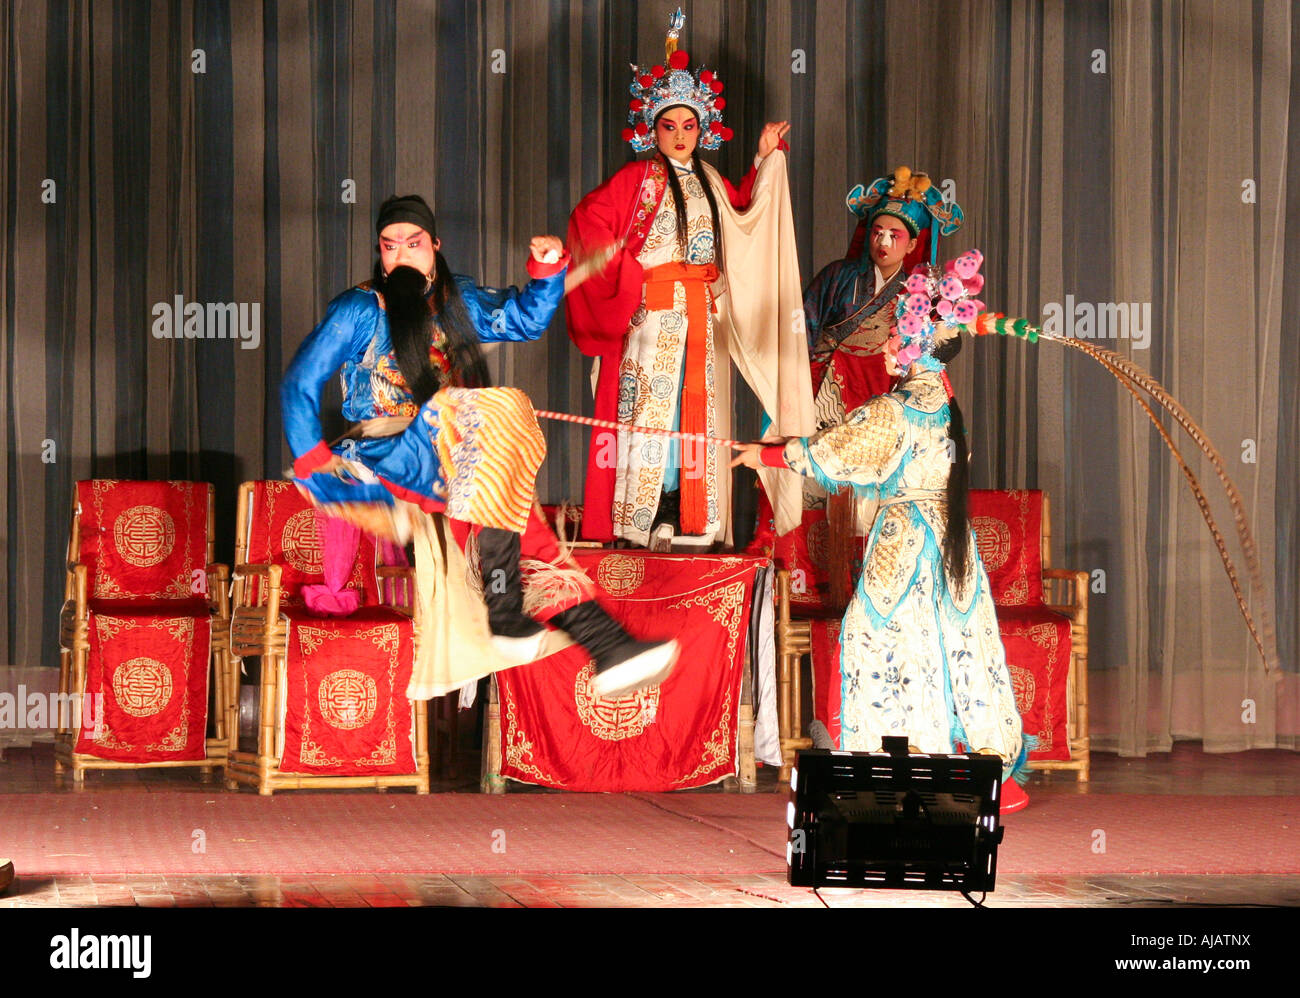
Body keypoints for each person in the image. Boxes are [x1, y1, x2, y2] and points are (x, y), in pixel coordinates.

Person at [281, 194, 677, 698]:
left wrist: (548, 267)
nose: (401, 255)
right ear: (379, 253)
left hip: (452, 449)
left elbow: (524, 319)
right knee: (494, 411)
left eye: (414, 243)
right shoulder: (361, 308)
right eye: (390, 246)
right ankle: (515, 615)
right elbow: (300, 382)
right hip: (383, 447)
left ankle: (602, 644)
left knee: (519, 525)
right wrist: (313, 460)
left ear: (435, 246)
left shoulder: (455, 299)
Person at [732, 268, 1029, 812]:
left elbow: (838, 449)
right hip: (952, 539)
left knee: (878, 633)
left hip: (907, 539)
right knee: (959, 643)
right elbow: (846, 441)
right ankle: (991, 773)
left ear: (916, 342)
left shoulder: (896, 408)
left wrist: (768, 455)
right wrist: (782, 445)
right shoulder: (944, 404)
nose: (886, 343)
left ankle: (900, 761)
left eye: (895, 333)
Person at [566, 10, 812, 549]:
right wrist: (627, 268)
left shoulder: (710, 179)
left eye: (689, 126)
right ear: (652, 131)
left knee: (694, 410)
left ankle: (692, 514)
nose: (679, 136)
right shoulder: (639, 178)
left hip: (703, 319)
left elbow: (743, 216)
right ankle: (646, 513)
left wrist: (763, 158)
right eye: (669, 126)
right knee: (654, 410)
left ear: (702, 129)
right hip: (651, 316)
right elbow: (590, 222)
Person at [750, 168, 966, 604]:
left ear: (913, 242)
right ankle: (800, 589)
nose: (883, 243)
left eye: (895, 236)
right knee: (807, 478)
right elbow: (800, 329)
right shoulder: (837, 277)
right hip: (826, 388)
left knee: (870, 500)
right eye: (878, 232)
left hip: (886, 403)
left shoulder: (923, 293)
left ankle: (866, 591)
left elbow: (944, 347)